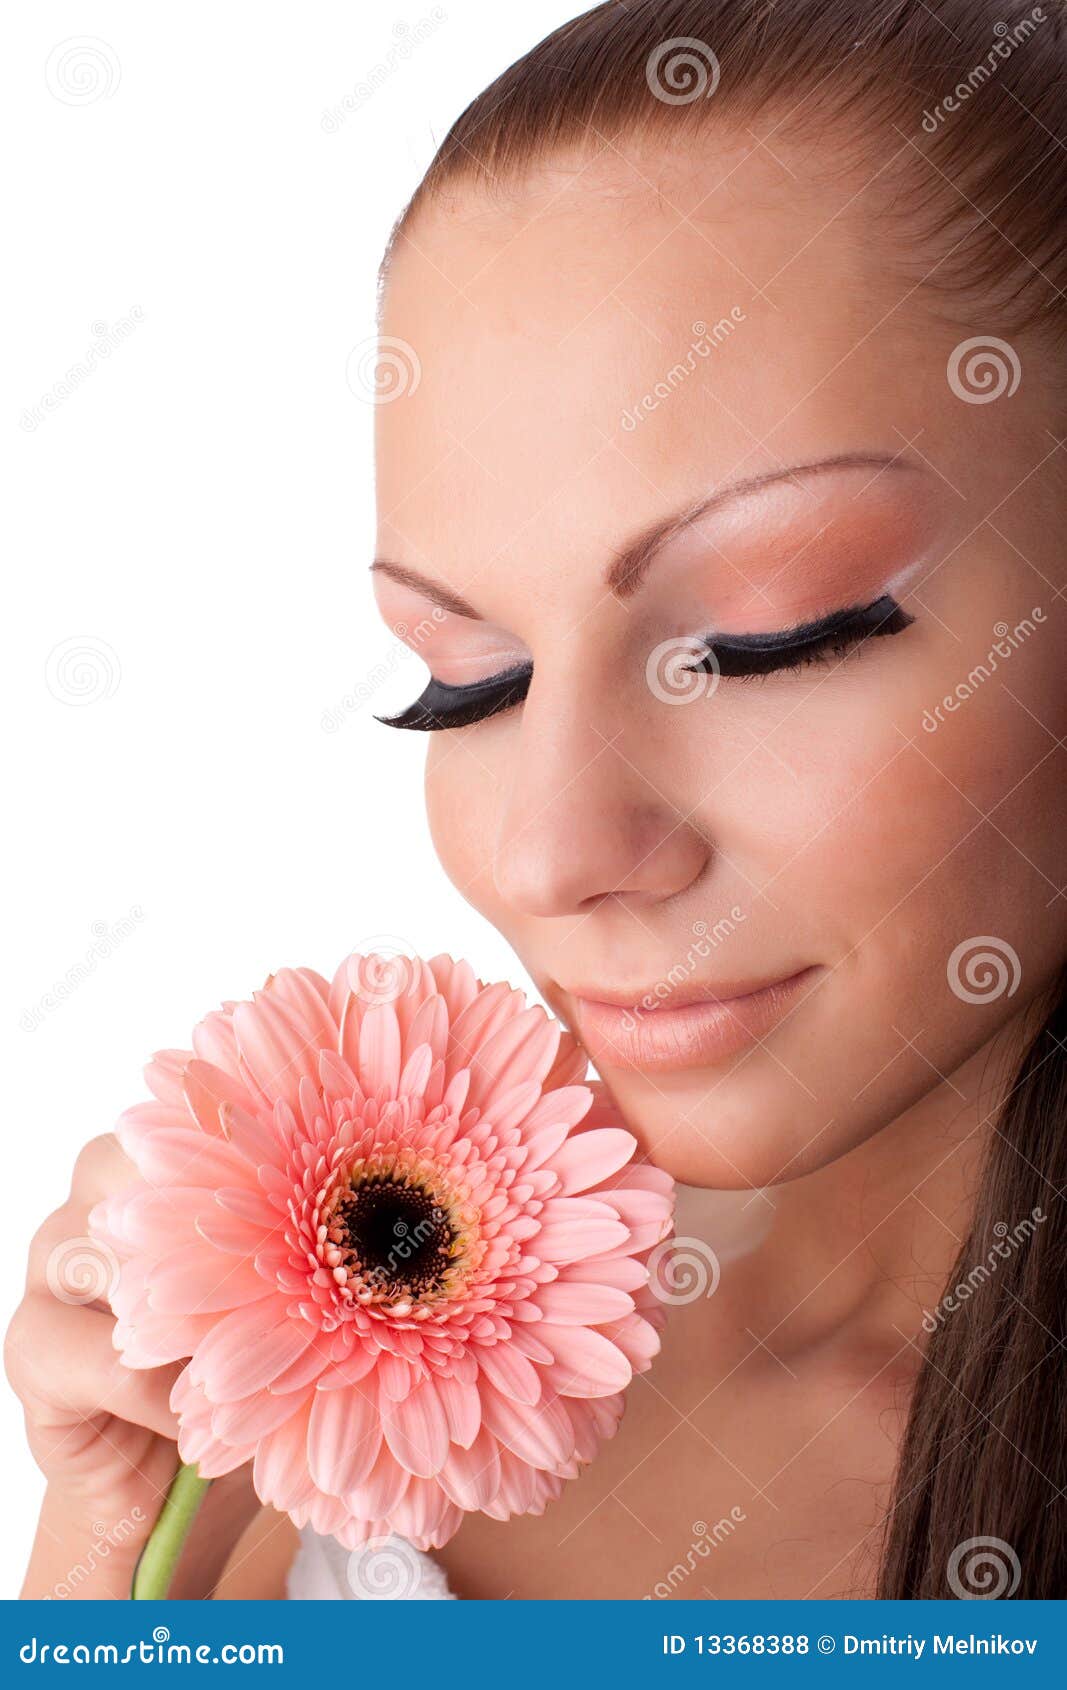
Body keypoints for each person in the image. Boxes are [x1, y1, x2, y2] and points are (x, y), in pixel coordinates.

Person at [9, 0, 1067, 1600]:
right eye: (471, 680)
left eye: (768, 638)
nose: (551, 851)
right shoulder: (346, 1426)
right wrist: (107, 1558)